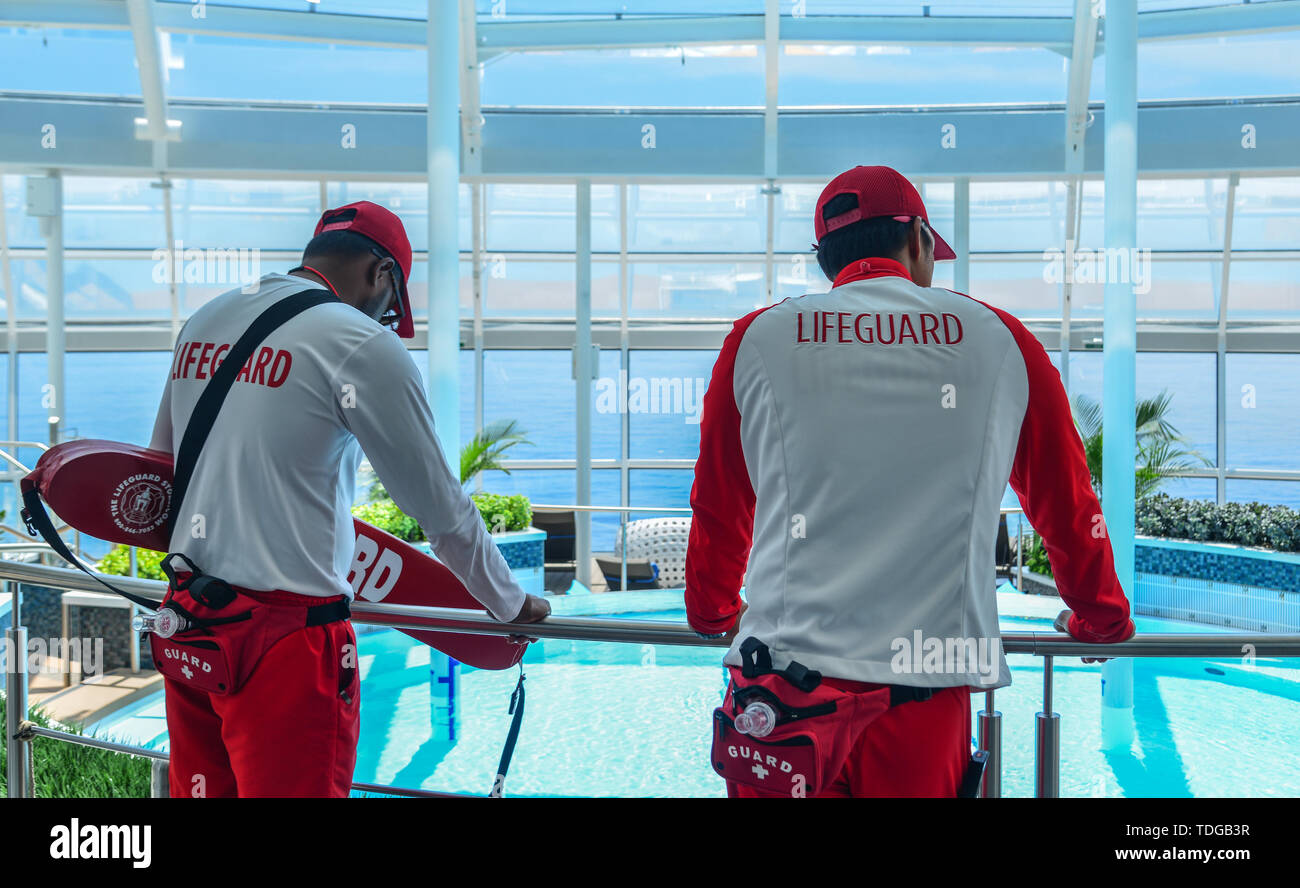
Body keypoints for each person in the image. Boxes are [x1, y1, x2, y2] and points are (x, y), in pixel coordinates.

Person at [684, 165, 1135, 798]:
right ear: (919, 238)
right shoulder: (1000, 341)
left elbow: (718, 504)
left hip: (778, 696)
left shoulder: (756, 340)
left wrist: (712, 613)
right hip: (923, 700)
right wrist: (1100, 618)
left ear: (824, 257)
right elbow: (1066, 503)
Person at [149, 200, 549, 798]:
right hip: (288, 641)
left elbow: (162, 468)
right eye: (392, 307)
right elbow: (441, 511)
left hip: (189, 620)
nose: (387, 320)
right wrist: (507, 603)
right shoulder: (358, 344)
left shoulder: (207, 319)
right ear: (380, 274)